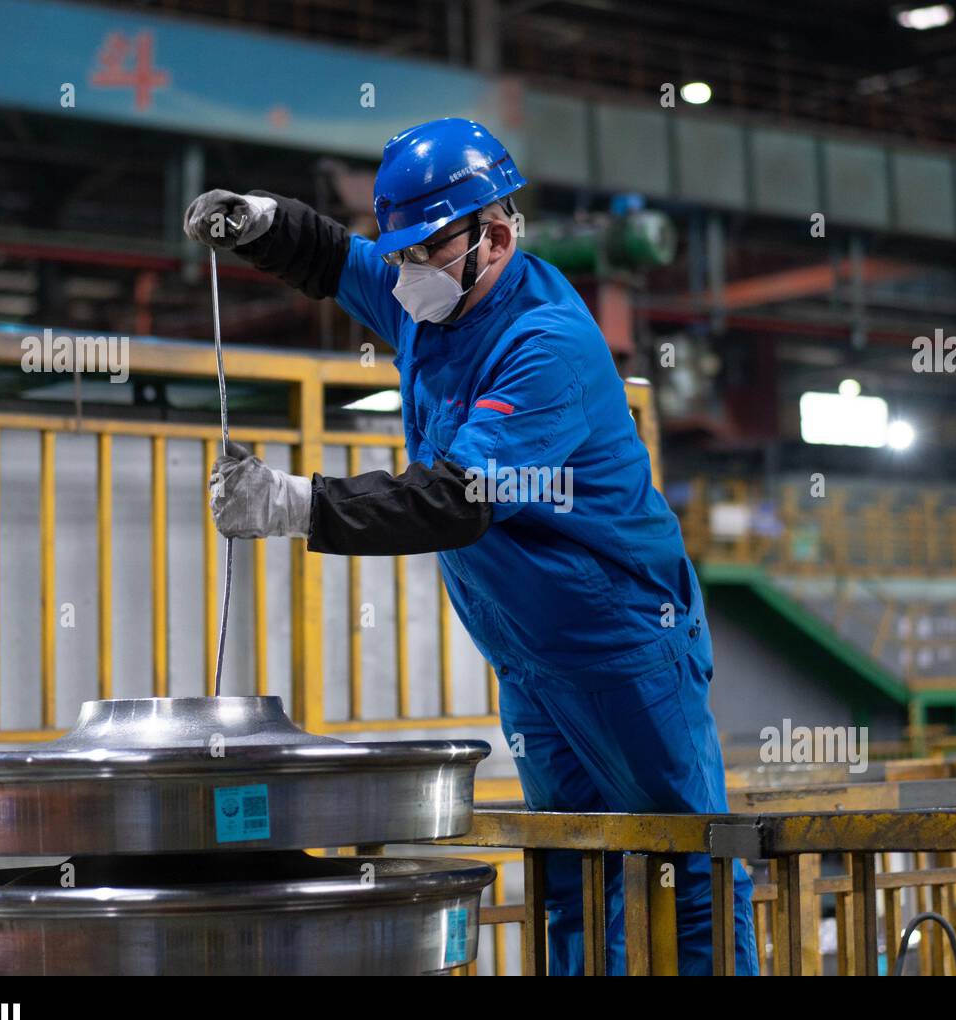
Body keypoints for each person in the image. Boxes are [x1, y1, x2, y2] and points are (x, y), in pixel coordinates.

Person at [184, 116, 757, 975]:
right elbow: (340, 261)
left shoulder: (545, 347)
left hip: (623, 650)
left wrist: (297, 505)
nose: (406, 270)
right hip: (530, 660)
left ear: (495, 233)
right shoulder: (436, 292)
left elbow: (459, 497)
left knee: (686, 865)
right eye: (402, 250)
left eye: (423, 251)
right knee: (570, 867)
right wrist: (262, 218)